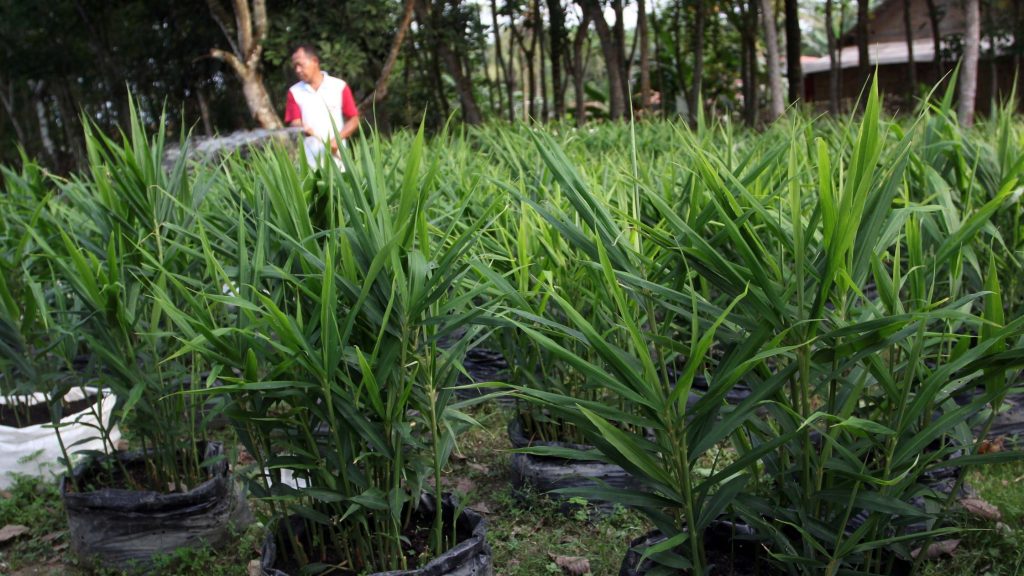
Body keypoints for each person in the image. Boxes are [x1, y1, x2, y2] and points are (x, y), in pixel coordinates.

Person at [284, 44, 360, 168]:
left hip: (339, 163)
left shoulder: (339, 86)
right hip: (310, 165)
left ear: (314, 61)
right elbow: (295, 122)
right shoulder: (294, 92)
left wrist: (337, 140)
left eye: (300, 65)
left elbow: (354, 120)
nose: (297, 70)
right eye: (295, 66)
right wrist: (301, 128)